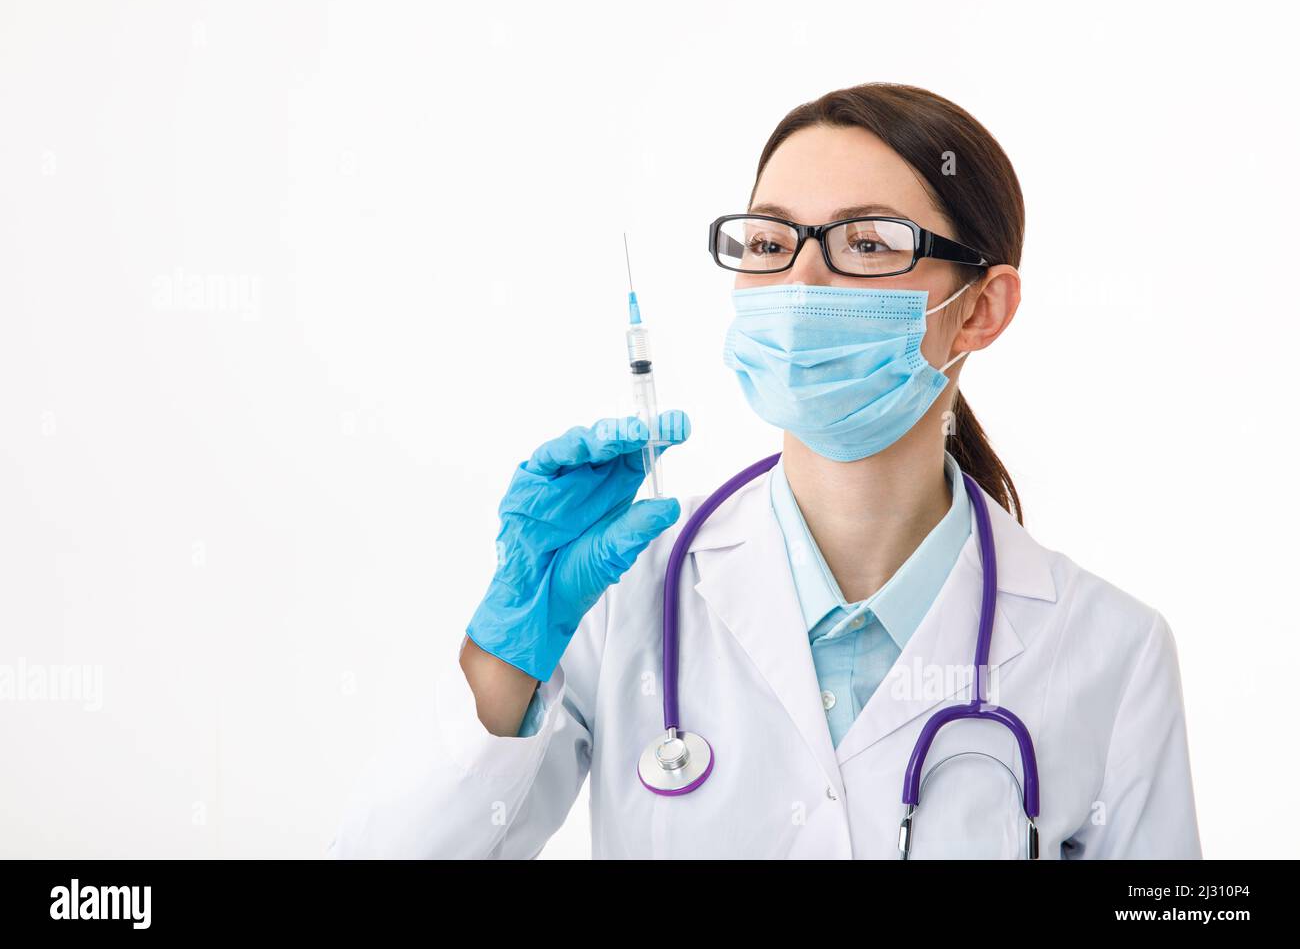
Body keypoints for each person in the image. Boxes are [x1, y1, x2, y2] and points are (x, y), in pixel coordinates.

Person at [328, 83, 1200, 859]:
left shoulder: (1110, 654)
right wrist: (502, 663)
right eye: (770, 239)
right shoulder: (627, 596)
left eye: (865, 243)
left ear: (979, 308)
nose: (802, 279)